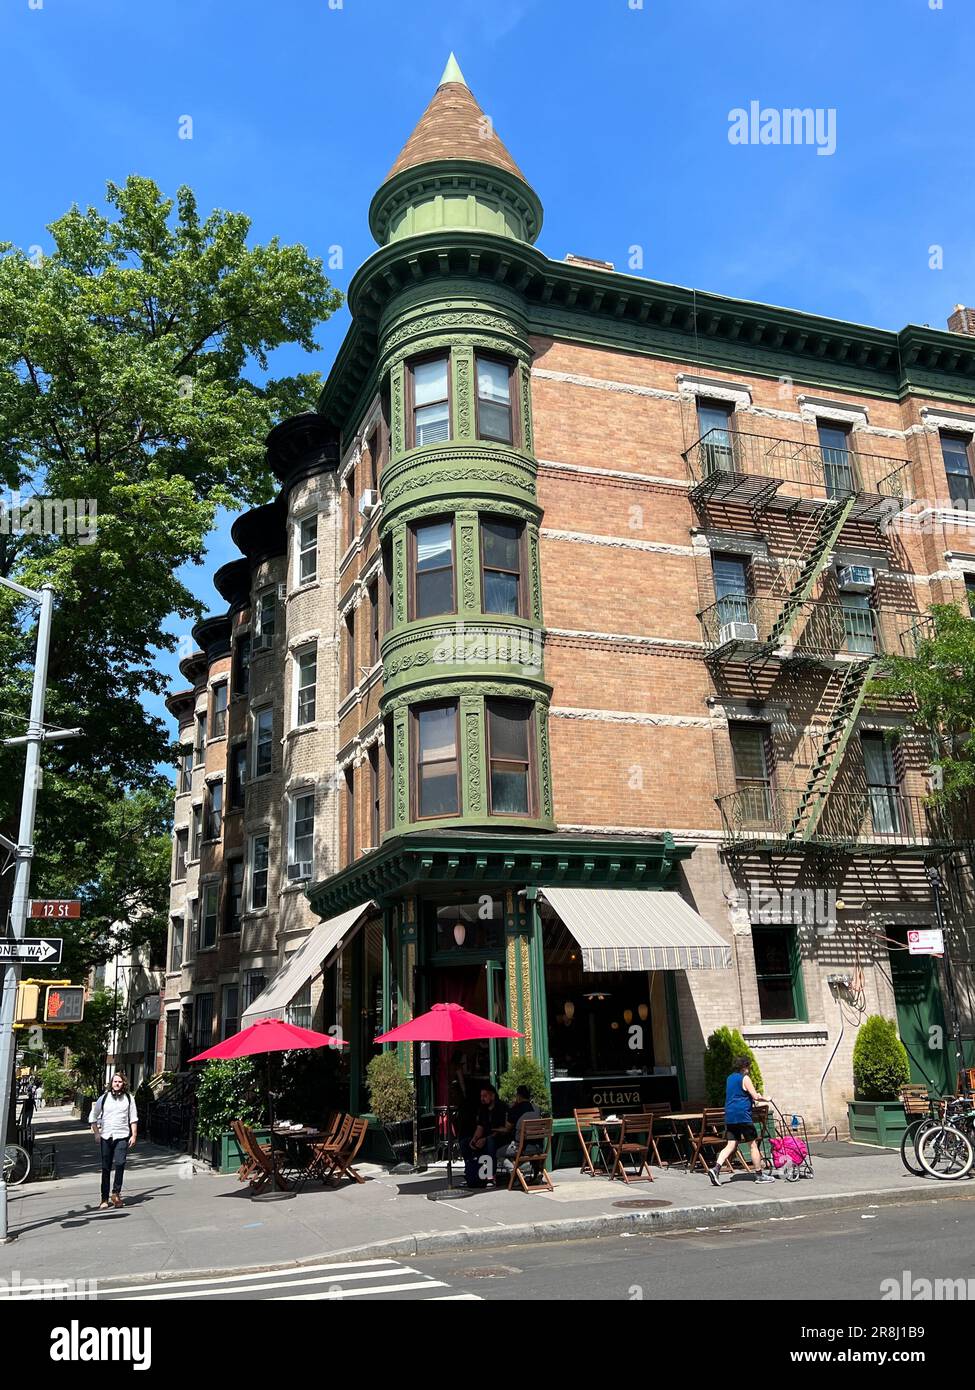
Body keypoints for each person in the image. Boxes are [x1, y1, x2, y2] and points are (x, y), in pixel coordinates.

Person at [708, 1056, 774, 1185]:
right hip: (742, 1115)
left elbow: (738, 1093)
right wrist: (766, 1098)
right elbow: (755, 1096)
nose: (749, 1069)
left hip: (730, 1115)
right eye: (748, 1067)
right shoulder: (745, 1078)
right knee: (753, 1145)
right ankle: (759, 1175)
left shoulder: (730, 1078)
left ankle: (716, 1169)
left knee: (731, 1144)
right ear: (744, 1067)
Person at [89, 1073, 138, 1209]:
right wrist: (96, 1133)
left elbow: (133, 1118)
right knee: (106, 1167)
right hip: (106, 1136)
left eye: (120, 1082)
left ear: (124, 1084)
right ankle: (104, 1198)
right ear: (111, 1083)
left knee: (121, 1163)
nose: (117, 1083)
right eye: (115, 1081)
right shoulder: (104, 1098)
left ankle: (116, 1193)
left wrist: (134, 1135)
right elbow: (93, 1116)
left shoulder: (129, 1098)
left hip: (122, 1135)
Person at [458, 1084, 508, 1188]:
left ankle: (490, 1176)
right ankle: (470, 1173)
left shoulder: (501, 1108)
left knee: (490, 1142)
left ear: (492, 1096)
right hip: (485, 1138)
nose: (482, 1099)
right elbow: (480, 1127)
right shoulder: (482, 1110)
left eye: (485, 1096)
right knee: (464, 1143)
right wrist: (475, 1139)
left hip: (500, 1139)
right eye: (481, 1096)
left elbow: (503, 1129)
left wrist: (485, 1139)